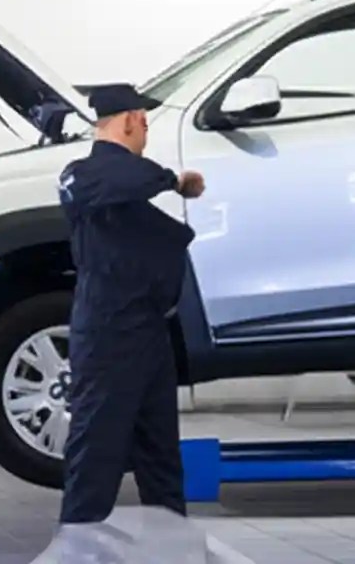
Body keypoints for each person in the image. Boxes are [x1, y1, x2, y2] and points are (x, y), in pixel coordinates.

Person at [55, 83, 205, 525]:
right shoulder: (84, 175)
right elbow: (119, 178)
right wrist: (175, 181)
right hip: (107, 333)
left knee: (160, 456)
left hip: (150, 332)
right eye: (144, 122)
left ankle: (172, 548)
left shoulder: (126, 187)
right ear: (131, 121)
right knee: (96, 455)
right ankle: (76, 553)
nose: (146, 131)